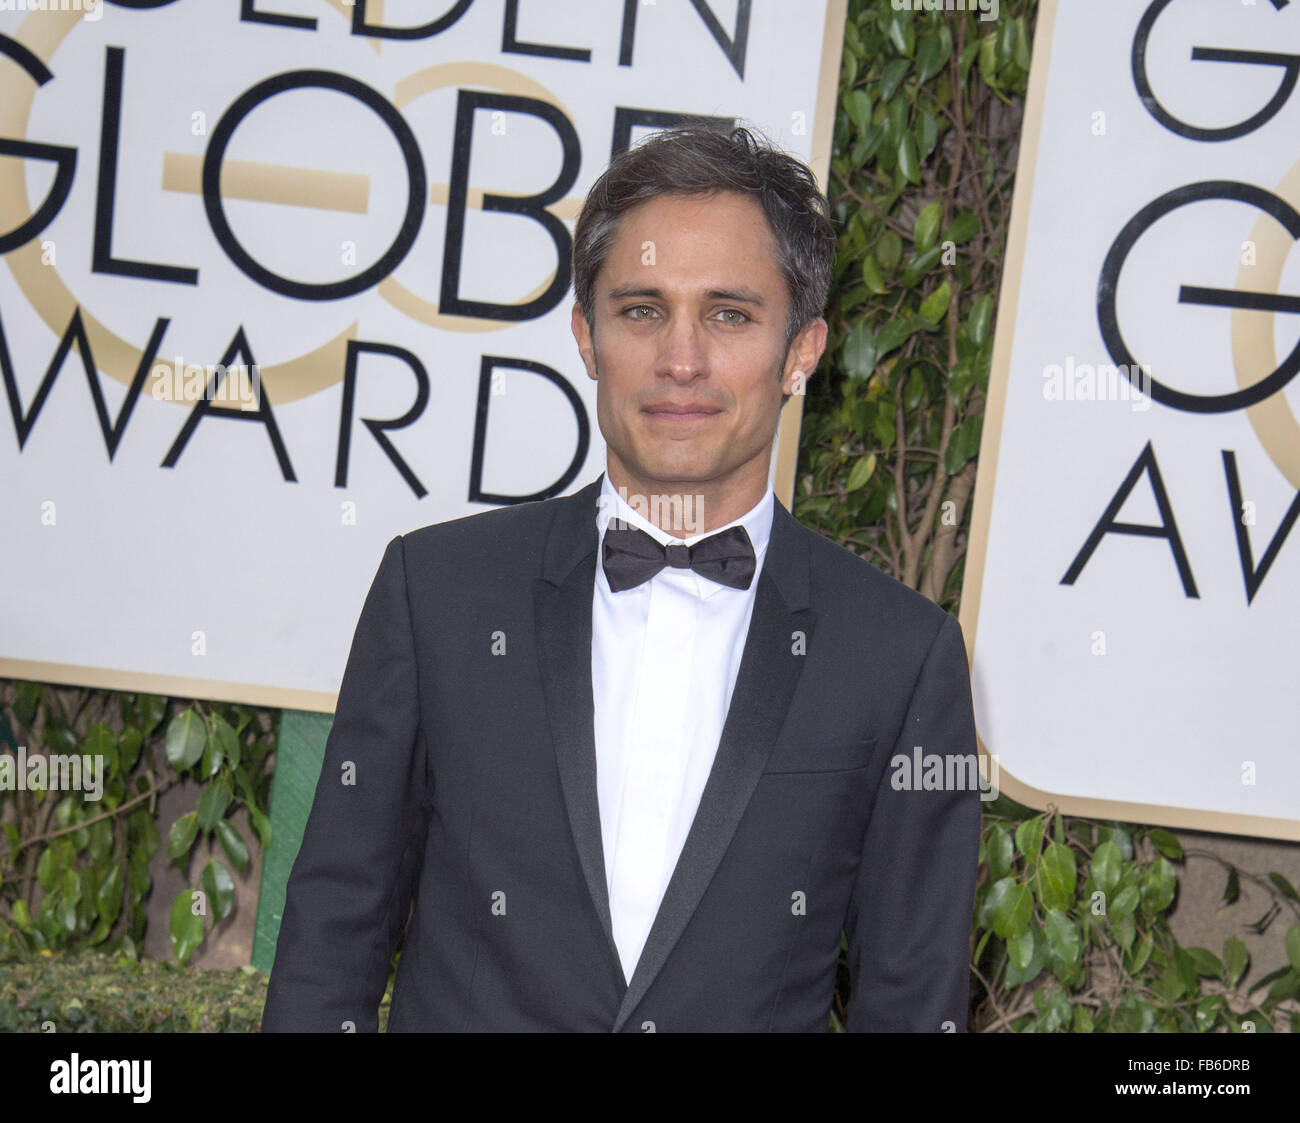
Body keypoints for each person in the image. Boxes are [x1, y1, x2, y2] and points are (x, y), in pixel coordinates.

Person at [261, 124, 982, 1033]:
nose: (681, 359)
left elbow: (913, 1001)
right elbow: (334, 930)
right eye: (642, 309)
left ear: (801, 351)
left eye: (730, 314)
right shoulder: (439, 592)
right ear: (587, 336)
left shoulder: (898, 655)